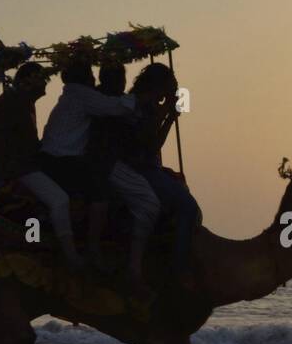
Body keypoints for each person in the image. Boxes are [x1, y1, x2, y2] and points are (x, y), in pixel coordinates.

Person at [0, 63, 85, 271]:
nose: (45, 84)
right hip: (19, 169)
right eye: (41, 79)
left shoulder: (21, 102)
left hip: (27, 164)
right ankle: (70, 254)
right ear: (28, 81)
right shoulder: (13, 103)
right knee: (59, 200)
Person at [38, 60, 137, 272]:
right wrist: (136, 98)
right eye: (91, 74)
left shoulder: (72, 96)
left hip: (56, 157)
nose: (94, 79)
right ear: (85, 77)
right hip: (63, 160)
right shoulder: (83, 95)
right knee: (102, 194)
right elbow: (117, 108)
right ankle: (93, 249)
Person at [120, 63, 200, 288]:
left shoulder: (144, 105)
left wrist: (166, 113)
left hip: (146, 166)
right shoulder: (142, 108)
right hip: (140, 168)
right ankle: (179, 266)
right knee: (188, 208)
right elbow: (152, 144)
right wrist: (169, 118)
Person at [88, 63, 161, 293]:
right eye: (119, 78)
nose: (122, 84)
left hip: (119, 162)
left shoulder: (121, 102)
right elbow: (147, 143)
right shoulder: (108, 103)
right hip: (106, 162)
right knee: (150, 204)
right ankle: (134, 268)